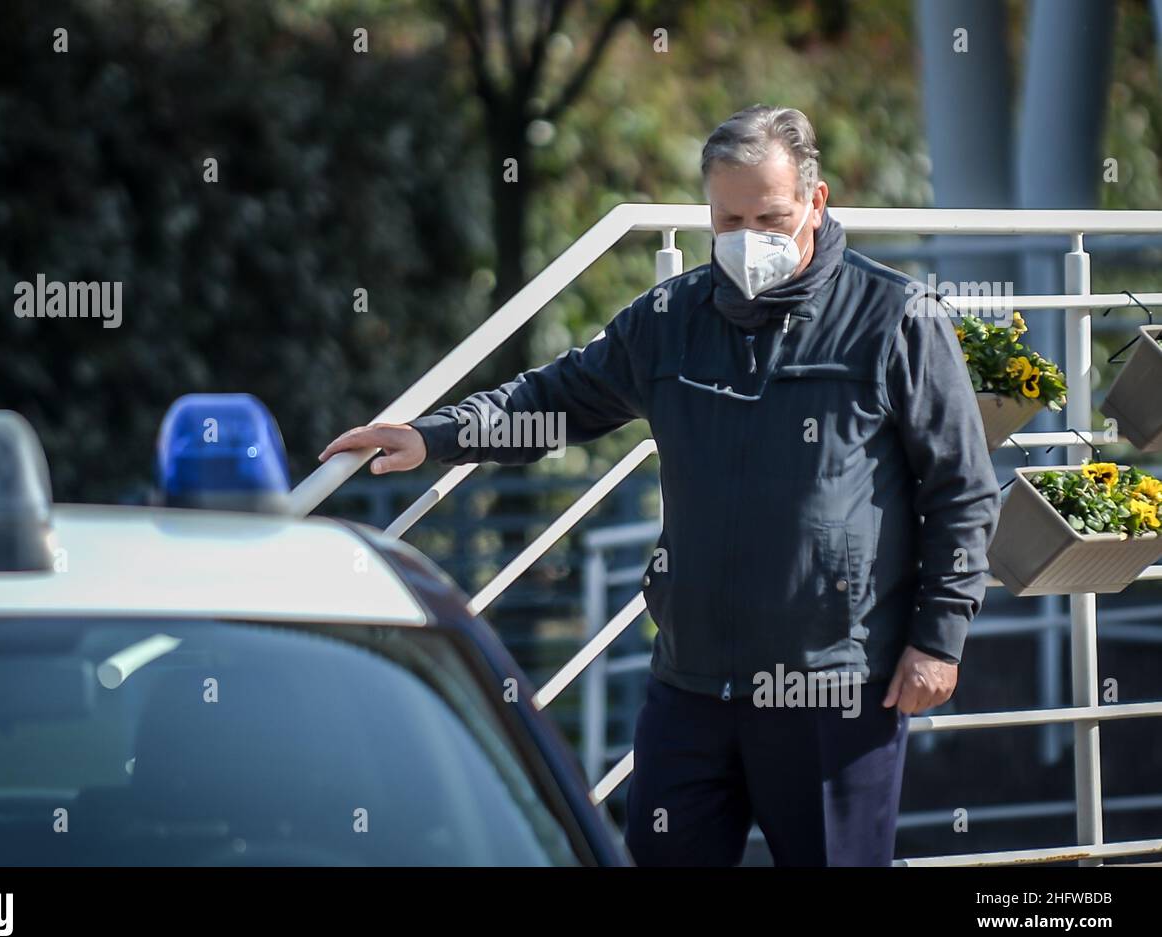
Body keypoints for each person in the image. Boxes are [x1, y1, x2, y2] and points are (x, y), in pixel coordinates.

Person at [319, 104, 1002, 866]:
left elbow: (962, 489)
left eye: (770, 218)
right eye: (729, 220)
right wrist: (434, 435)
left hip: (832, 687)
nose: (749, 239)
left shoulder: (896, 318)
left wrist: (937, 641)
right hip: (692, 686)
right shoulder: (671, 320)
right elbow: (556, 400)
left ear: (816, 201)